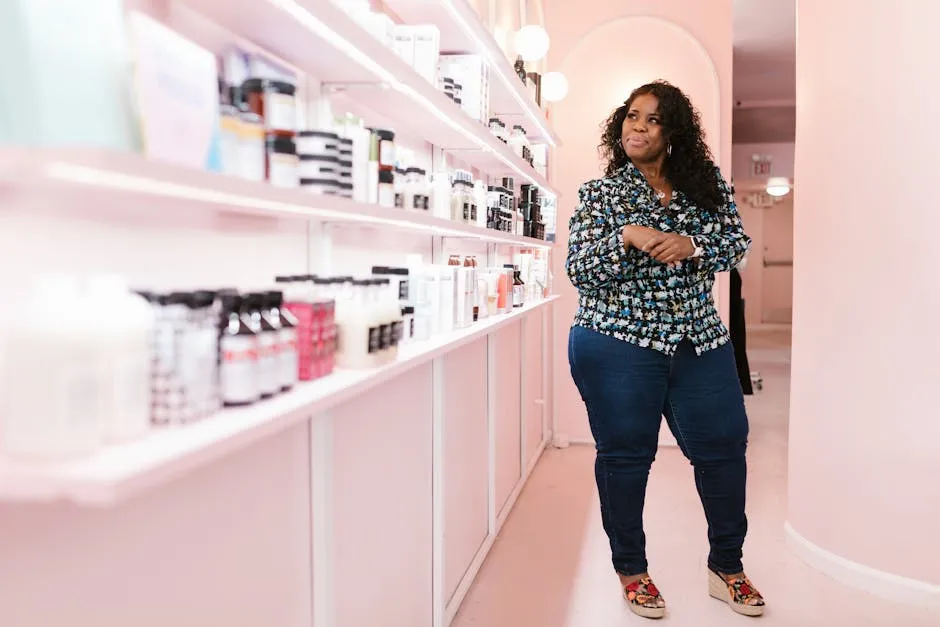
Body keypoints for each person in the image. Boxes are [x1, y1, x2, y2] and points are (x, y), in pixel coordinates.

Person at [565, 80, 765, 619]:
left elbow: (736, 243)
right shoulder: (600, 194)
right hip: (617, 343)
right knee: (628, 457)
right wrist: (624, 236)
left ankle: (728, 566)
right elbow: (581, 271)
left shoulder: (706, 187)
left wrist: (693, 245)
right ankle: (632, 570)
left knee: (724, 451)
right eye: (632, 116)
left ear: (672, 132)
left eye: (653, 120)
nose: (638, 126)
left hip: (700, 340)